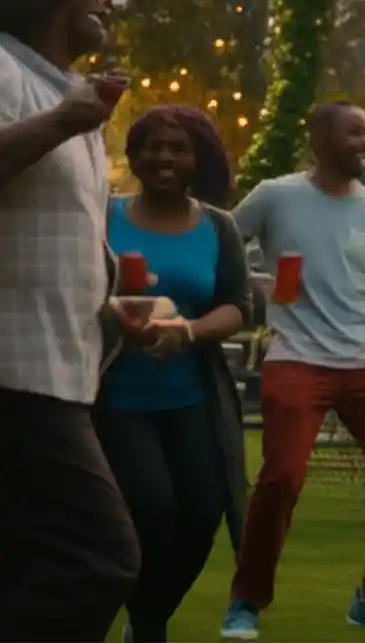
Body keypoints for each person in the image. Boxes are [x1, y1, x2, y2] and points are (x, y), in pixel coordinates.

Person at [220, 102, 365, 639]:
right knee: (281, 478)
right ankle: (245, 603)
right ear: (319, 137)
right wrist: (256, 289)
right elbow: (224, 247)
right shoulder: (275, 197)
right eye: (354, 133)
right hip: (297, 356)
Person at [0, 0, 142, 639]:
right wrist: (61, 122)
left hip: (60, 365)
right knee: (98, 556)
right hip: (15, 371)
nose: (107, 2)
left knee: (25, 561)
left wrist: (109, 308)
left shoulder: (71, 99)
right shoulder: (3, 70)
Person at [94, 106, 252, 642]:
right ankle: (145, 620)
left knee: (204, 510)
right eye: (151, 146)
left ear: (197, 159)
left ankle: (148, 616)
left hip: (190, 395)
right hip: (116, 393)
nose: (163, 156)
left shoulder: (218, 226)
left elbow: (238, 304)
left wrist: (187, 330)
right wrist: (116, 313)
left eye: (177, 147)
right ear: (133, 156)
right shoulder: (102, 214)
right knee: (153, 506)